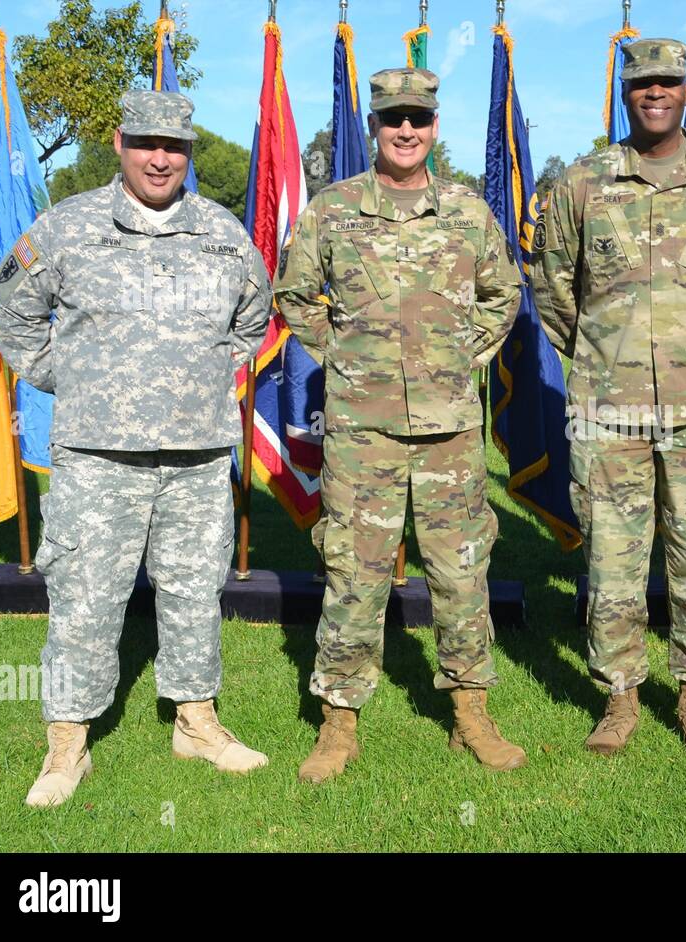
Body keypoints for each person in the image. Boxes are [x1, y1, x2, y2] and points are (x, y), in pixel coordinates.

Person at [0, 90, 273, 808]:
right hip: (95, 456)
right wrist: (75, 378)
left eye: (174, 146)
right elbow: (12, 310)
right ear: (120, 142)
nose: (159, 157)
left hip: (196, 457)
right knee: (83, 598)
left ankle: (197, 725)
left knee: (192, 593)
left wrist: (204, 376)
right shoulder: (69, 228)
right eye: (146, 142)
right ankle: (67, 747)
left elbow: (254, 317)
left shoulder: (221, 234)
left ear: (188, 154)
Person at [275, 68, 525, 779]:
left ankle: (471, 715)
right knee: (354, 573)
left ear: (434, 126)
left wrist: (456, 355)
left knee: (461, 570)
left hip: (450, 431)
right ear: (375, 126)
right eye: (393, 119)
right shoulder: (333, 210)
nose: (406, 130)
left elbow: (502, 292)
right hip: (364, 430)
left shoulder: (468, 211)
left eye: (417, 118)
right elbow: (294, 294)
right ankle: (338, 723)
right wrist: (348, 357)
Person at [530, 39, 686, 755]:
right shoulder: (582, 183)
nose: (654, 93)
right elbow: (552, 287)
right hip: (612, 409)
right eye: (641, 83)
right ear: (624, 92)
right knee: (613, 558)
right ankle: (621, 696)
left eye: (667, 82)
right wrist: (606, 355)